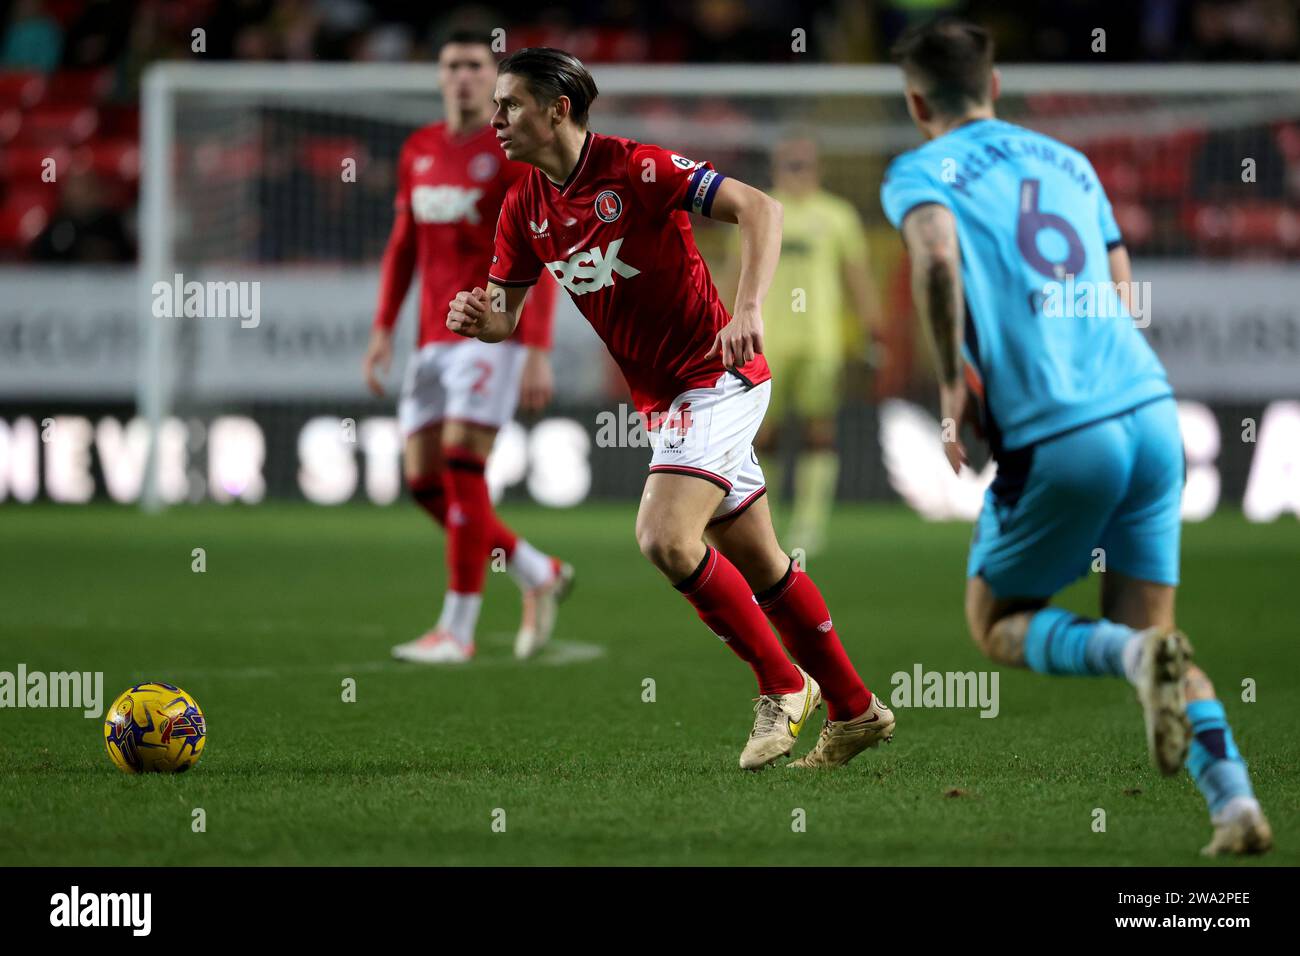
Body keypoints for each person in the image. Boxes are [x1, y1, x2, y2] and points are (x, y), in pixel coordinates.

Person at [882, 17, 1270, 855]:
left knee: (995, 622)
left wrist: (953, 383)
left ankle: (1133, 668)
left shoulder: (920, 170)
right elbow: (1123, 287)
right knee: (1150, 633)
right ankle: (1234, 803)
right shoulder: (1072, 161)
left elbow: (939, 262)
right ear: (995, 86)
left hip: (1061, 431)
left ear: (917, 102)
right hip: (1150, 409)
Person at [448, 47, 892, 770]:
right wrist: (480, 316)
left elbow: (761, 208)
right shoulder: (524, 206)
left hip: (719, 376)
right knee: (763, 564)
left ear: (557, 109)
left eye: (510, 104)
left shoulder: (638, 167)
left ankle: (784, 685)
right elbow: (503, 312)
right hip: (664, 401)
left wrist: (746, 307)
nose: (494, 117)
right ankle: (855, 708)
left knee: (664, 536)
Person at [363, 32, 572, 665]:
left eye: (474, 66)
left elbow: (544, 248)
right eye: (450, 64)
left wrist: (537, 347)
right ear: (438, 74)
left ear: (493, 76)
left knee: (461, 465)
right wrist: (382, 329)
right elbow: (404, 244)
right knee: (424, 483)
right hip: (430, 339)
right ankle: (537, 570)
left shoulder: (508, 151)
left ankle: (457, 629)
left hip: (491, 330)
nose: (461, 76)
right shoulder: (419, 149)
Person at [721, 132, 882, 555]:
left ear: (818, 168)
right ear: (776, 166)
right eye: (790, 163)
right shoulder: (757, 208)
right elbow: (731, 272)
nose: (797, 172)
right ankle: (764, 524)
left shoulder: (837, 216)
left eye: (804, 164)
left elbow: (857, 276)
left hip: (820, 341)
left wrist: (873, 330)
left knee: (818, 432)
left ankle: (810, 526)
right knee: (760, 437)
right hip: (763, 342)